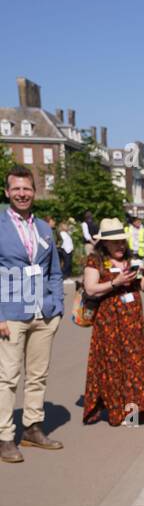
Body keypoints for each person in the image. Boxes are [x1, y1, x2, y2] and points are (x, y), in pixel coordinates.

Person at [0, 164, 65, 462]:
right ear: (7, 192)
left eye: (27, 189)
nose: (22, 194)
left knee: (38, 375)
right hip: (11, 312)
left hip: (44, 312)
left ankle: (32, 427)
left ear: (34, 192)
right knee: (8, 377)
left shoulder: (43, 228)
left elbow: (54, 270)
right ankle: (4, 436)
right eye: (16, 189)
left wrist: (58, 307)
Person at [82, 218, 144, 425]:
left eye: (122, 241)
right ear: (105, 244)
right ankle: (116, 409)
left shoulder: (132, 260)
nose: (120, 245)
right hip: (109, 323)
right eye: (115, 242)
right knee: (112, 364)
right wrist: (115, 282)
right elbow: (90, 289)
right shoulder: (96, 261)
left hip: (133, 322)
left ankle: (142, 408)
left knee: (137, 364)